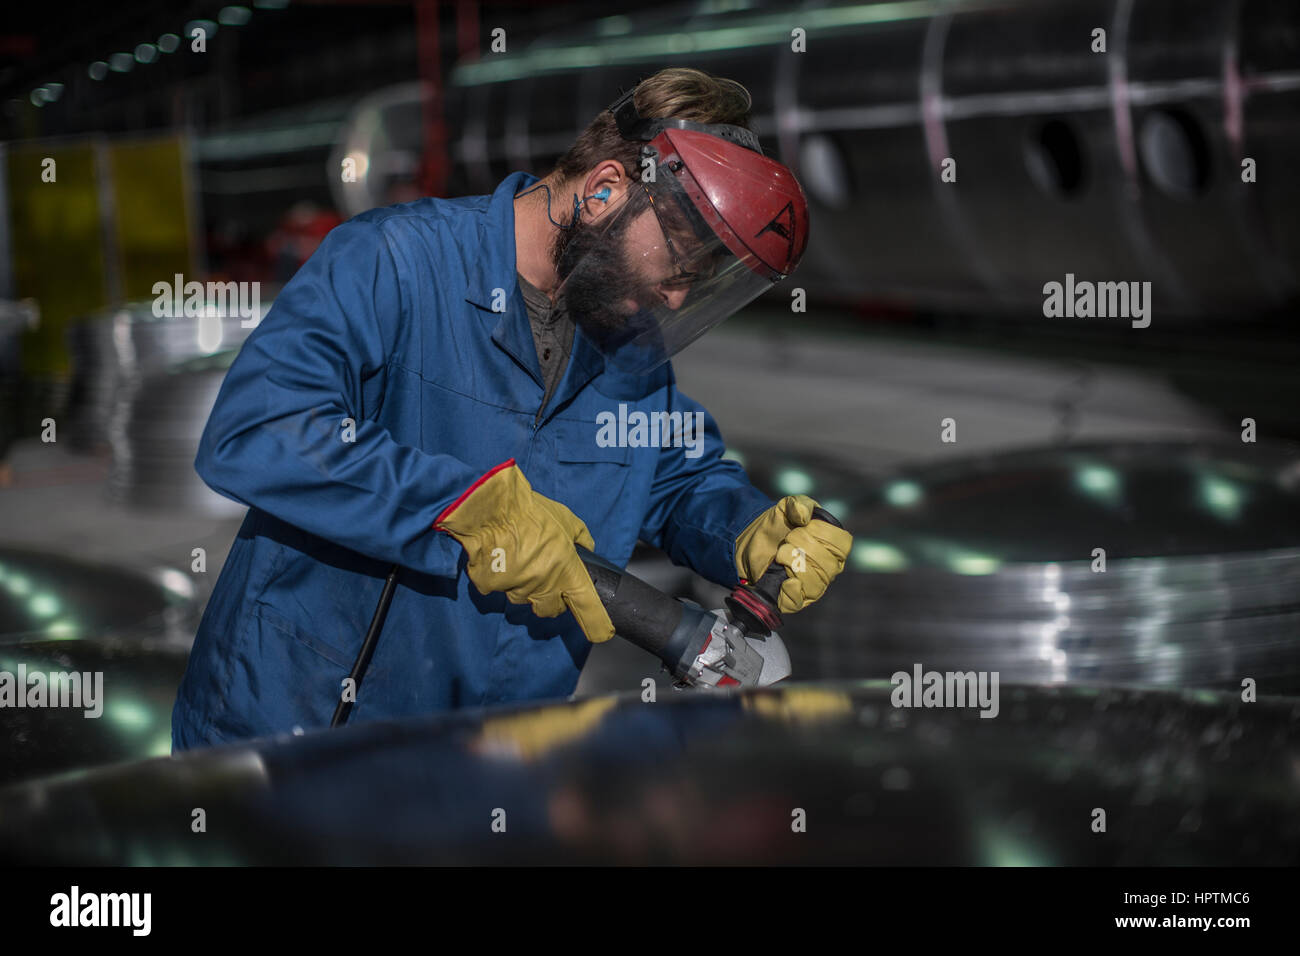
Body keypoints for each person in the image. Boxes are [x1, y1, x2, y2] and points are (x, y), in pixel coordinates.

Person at [171, 67, 852, 750]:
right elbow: (259, 428)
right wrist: (452, 509)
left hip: (483, 757)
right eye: (680, 263)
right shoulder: (396, 262)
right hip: (295, 731)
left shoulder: (623, 342)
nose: (676, 300)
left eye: (698, 282)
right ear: (605, 189)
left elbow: (672, 477)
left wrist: (744, 526)